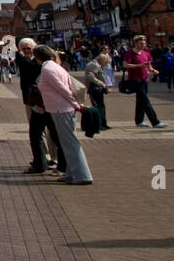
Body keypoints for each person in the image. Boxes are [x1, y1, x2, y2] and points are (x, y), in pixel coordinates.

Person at [35, 45, 92, 185]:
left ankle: (82, 175)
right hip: (60, 108)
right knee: (67, 143)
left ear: (38, 57)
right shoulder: (55, 66)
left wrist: (76, 104)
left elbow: (63, 89)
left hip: (62, 109)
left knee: (70, 143)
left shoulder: (47, 69)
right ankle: (72, 173)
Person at [16, 37, 60, 171]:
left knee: (50, 131)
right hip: (30, 99)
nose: (26, 51)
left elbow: (28, 68)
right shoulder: (27, 61)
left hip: (43, 100)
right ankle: (43, 157)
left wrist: (19, 55)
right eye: (23, 49)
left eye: (29, 48)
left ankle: (55, 158)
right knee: (36, 131)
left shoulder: (39, 62)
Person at [122, 35, 164, 128]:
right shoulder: (130, 53)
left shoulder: (146, 53)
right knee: (145, 101)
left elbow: (148, 66)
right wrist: (139, 65)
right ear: (136, 43)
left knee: (140, 100)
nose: (143, 45)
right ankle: (155, 122)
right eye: (141, 43)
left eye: (144, 43)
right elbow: (126, 65)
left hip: (144, 79)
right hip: (135, 79)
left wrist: (153, 70)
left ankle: (139, 121)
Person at [84, 52, 111, 130]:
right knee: (98, 107)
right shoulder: (95, 65)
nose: (105, 65)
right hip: (95, 89)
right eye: (105, 63)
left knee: (101, 106)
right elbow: (90, 76)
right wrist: (101, 84)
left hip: (96, 89)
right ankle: (99, 124)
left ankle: (103, 123)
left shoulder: (95, 64)